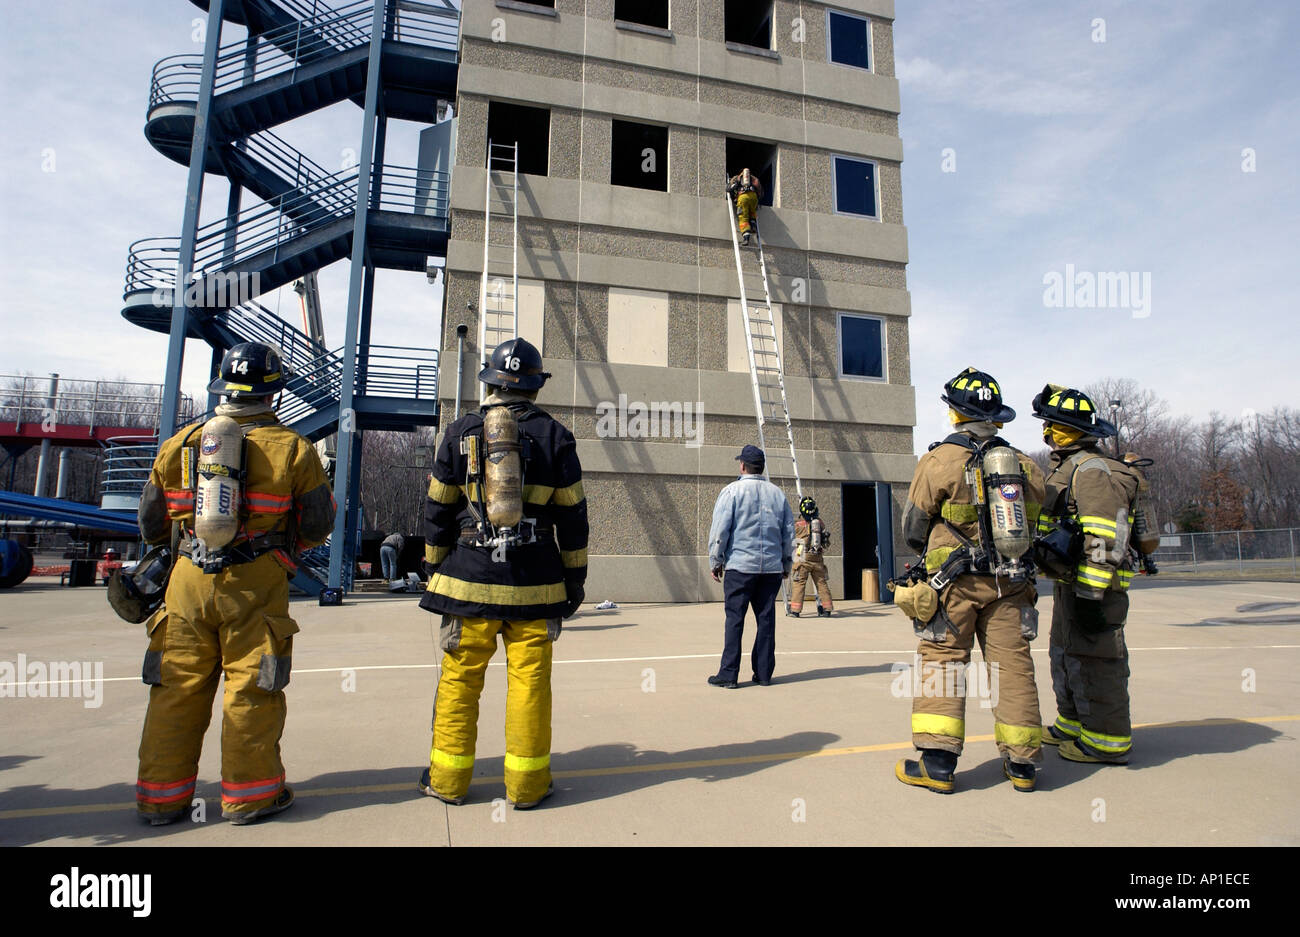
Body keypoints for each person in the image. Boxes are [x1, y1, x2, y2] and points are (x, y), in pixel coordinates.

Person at [134, 342, 336, 825]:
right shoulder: (294, 450)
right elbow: (316, 525)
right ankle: (251, 797)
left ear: (223, 389)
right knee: (252, 687)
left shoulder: (181, 443)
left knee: (175, 688)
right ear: (275, 395)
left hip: (185, 582)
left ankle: (160, 800)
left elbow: (150, 522)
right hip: (255, 584)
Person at [418, 337, 587, 809]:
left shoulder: (459, 432)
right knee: (530, 683)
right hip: (535, 585)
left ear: (490, 381)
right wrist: (574, 581)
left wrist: (435, 568)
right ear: (535, 387)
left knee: (460, 679)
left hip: (467, 580)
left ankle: (448, 783)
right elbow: (574, 519)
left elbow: (437, 510)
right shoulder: (556, 437)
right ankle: (528, 788)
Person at [895, 367, 1046, 793]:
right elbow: (1037, 522)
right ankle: (1022, 766)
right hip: (1011, 585)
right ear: (997, 417)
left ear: (956, 415)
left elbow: (913, 528)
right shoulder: (1024, 466)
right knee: (1012, 668)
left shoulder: (939, 460)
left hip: (953, 585)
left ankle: (938, 767)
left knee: (943, 663)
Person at [1032, 384, 1140, 765]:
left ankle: (1107, 742)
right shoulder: (1069, 466)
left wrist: (1091, 593)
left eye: (1052, 423)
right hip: (1070, 583)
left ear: (1069, 429)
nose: (1046, 429)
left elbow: (1103, 537)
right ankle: (1073, 723)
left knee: (1098, 660)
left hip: (1095, 588)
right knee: (1066, 654)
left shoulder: (1091, 471)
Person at [707, 445, 795, 688]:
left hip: (740, 567)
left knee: (735, 619)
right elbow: (789, 533)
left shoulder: (732, 492)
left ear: (742, 465)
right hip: (770, 569)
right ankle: (764, 673)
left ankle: (729, 674)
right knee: (766, 620)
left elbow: (720, 530)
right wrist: (786, 563)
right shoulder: (777, 494)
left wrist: (716, 560)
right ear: (762, 467)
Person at [789, 496, 834, 617]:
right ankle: (827, 608)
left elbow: (793, 540)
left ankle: (795, 610)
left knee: (799, 582)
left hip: (801, 554)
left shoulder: (798, 525)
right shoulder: (820, 523)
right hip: (817, 556)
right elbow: (826, 540)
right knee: (821, 583)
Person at [727, 168, 764, 245]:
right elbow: (760, 192)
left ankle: (746, 238)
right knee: (752, 212)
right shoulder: (754, 179)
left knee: (743, 218)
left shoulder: (737, 178)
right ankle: (753, 225)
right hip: (754, 198)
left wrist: (733, 196)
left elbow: (729, 189)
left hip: (743, 198)